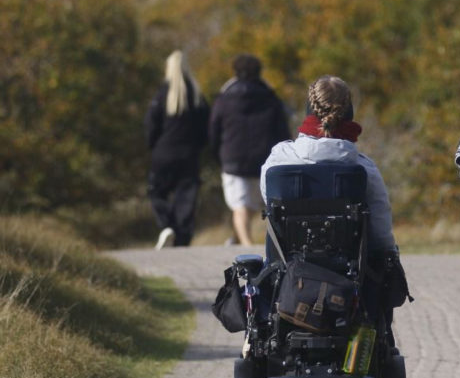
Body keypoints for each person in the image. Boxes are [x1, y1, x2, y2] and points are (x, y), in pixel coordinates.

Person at [260, 76, 399, 325]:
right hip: (348, 278)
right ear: (349, 113)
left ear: (308, 109)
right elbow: (380, 232)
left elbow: (269, 205)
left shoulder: (278, 160)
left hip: (288, 277)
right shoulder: (363, 168)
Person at [209, 54, 292, 247]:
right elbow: (282, 130)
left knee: (240, 206)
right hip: (263, 158)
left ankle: (246, 244)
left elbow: (213, 130)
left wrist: (218, 156)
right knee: (253, 204)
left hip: (232, 159)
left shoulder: (224, 98)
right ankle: (241, 239)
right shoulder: (271, 98)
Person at [145, 50, 209, 249]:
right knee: (186, 196)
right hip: (189, 154)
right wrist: (200, 146)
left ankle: (166, 225)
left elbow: (150, 124)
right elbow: (207, 125)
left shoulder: (162, 93)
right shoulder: (197, 94)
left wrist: (152, 144)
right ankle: (182, 238)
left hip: (164, 152)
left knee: (156, 191)